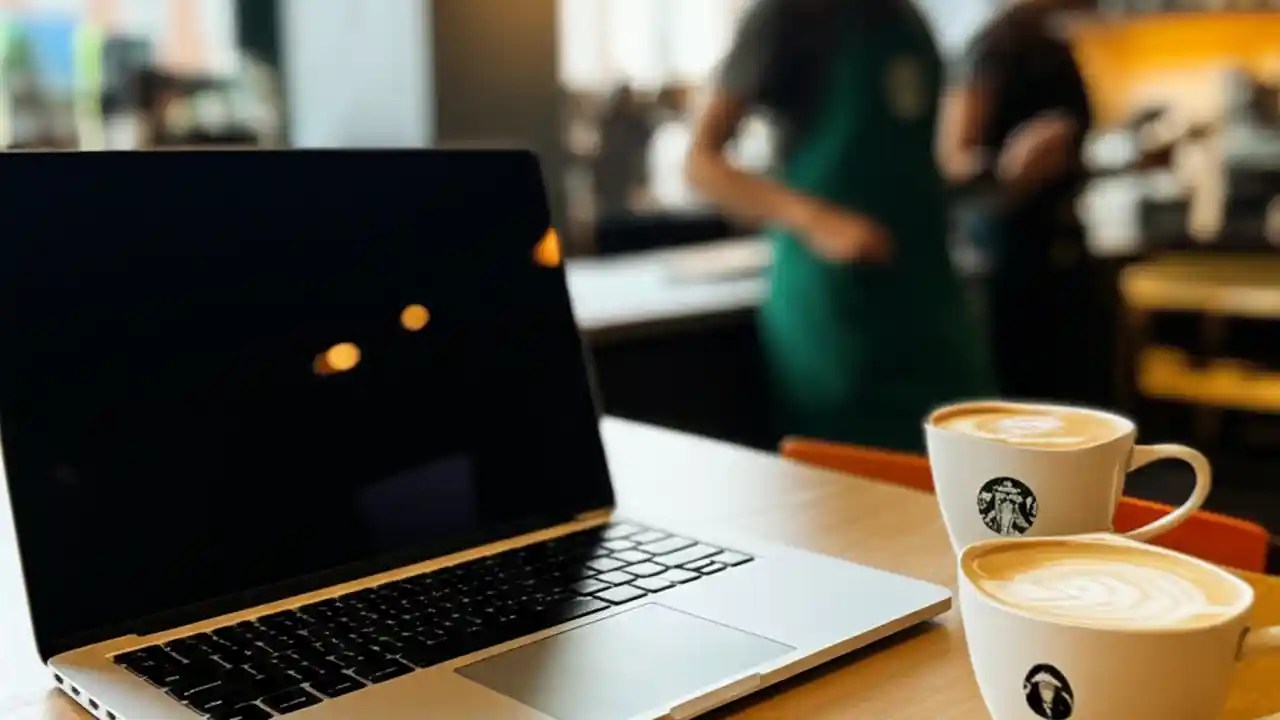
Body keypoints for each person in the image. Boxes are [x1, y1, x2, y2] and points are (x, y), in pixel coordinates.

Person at [686, 0, 993, 452]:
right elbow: (701, 164)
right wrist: (815, 220)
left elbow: (912, 168)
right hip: (837, 314)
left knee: (978, 469)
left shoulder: (907, 21)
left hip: (927, 301)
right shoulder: (786, 18)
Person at [937, 0, 1110, 405]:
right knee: (1021, 398)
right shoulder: (989, 50)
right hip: (1004, 255)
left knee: (1077, 397)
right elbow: (953, 163)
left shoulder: (1057, 48)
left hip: (1064, 248)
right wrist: (1010, 170)